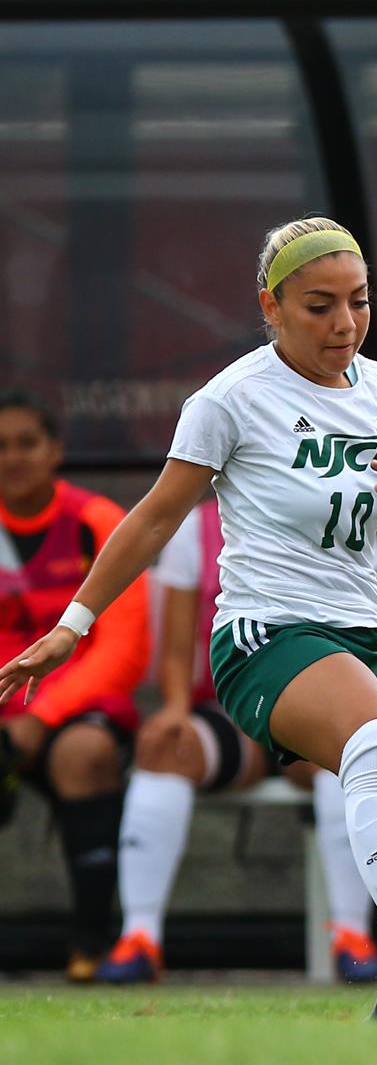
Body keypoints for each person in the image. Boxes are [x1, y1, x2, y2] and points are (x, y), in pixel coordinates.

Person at [0, 218, 377, 1018]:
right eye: (319, 305)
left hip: (362, 635)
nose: (344, 323)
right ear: (269, 306)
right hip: (264, 638)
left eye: (359, 301)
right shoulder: (232, 398)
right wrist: (73, 623)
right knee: (373, 737)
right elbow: (154, 518)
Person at [98, 496, 377, 985]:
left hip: (313, 707)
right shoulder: (196, 528)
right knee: (164, 746)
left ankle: (353, 937)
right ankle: (139, 936)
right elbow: (175, 646)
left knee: (351, 754)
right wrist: (173, 709)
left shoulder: (340, 505)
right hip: (233, 709)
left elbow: (370, 628)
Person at [0, 390, 151, 981]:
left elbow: (124, 649)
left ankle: (93, 942)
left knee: (84, 755)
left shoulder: (97, 522)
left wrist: (42, 715)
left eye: (27, 443)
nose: (13, 457)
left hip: (76, 713)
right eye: (1, 446)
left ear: (56, 451)